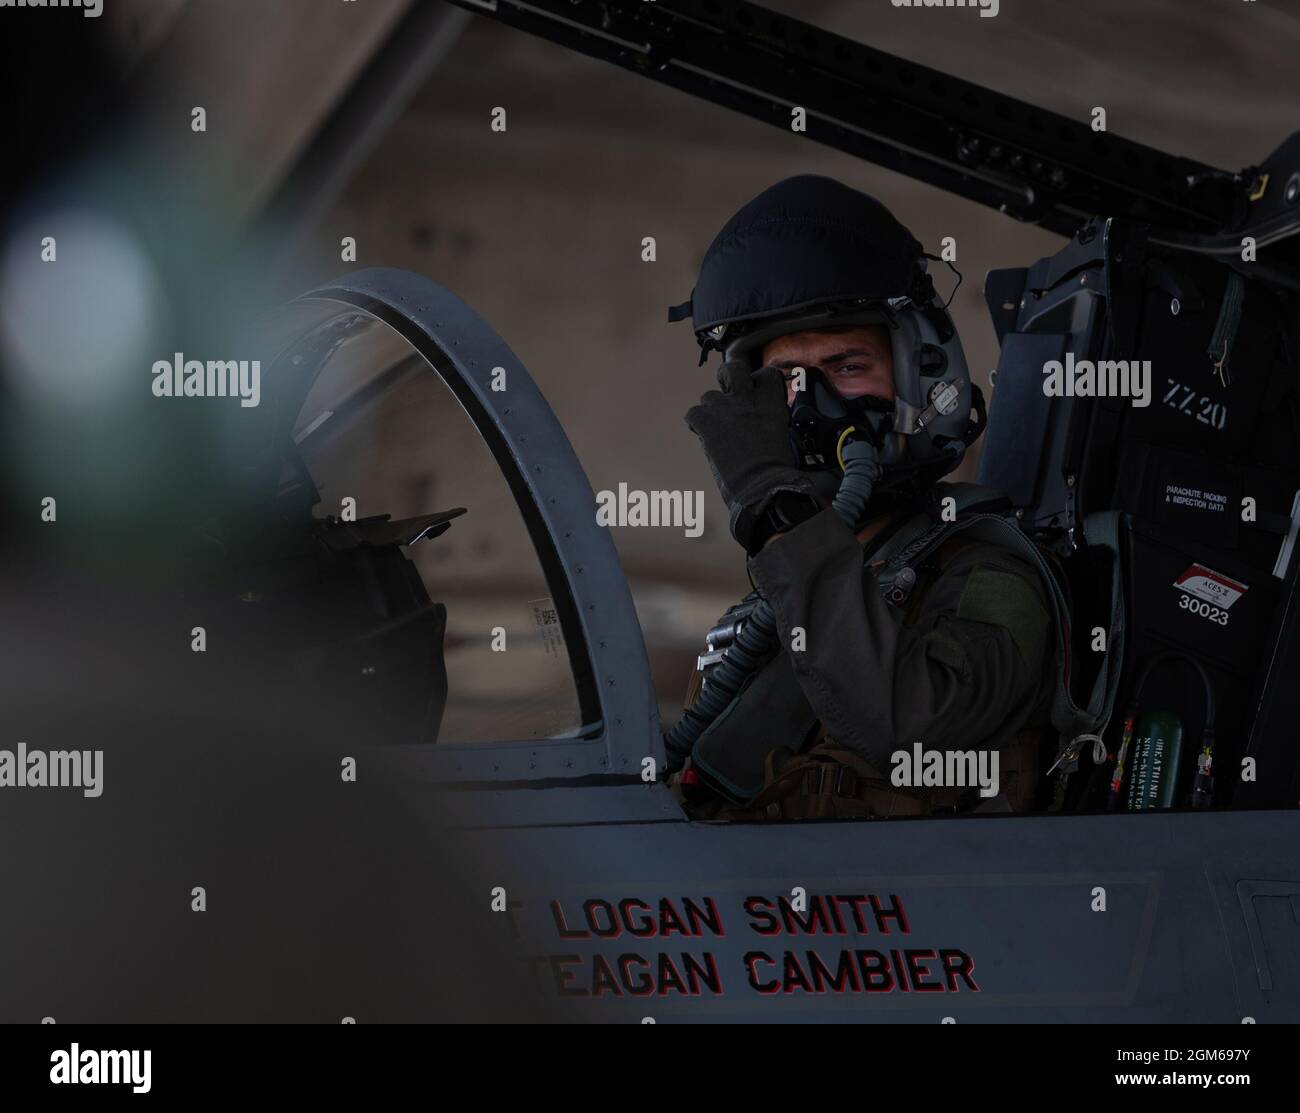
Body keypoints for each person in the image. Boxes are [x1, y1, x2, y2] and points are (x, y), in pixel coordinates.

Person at [664, 175, 1055, 820]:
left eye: (847, 368)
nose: (815, 404)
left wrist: (771, 502)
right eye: (787, 379)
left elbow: (908, 735)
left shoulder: (988, 577)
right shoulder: (785, 592)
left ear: (917, 377)